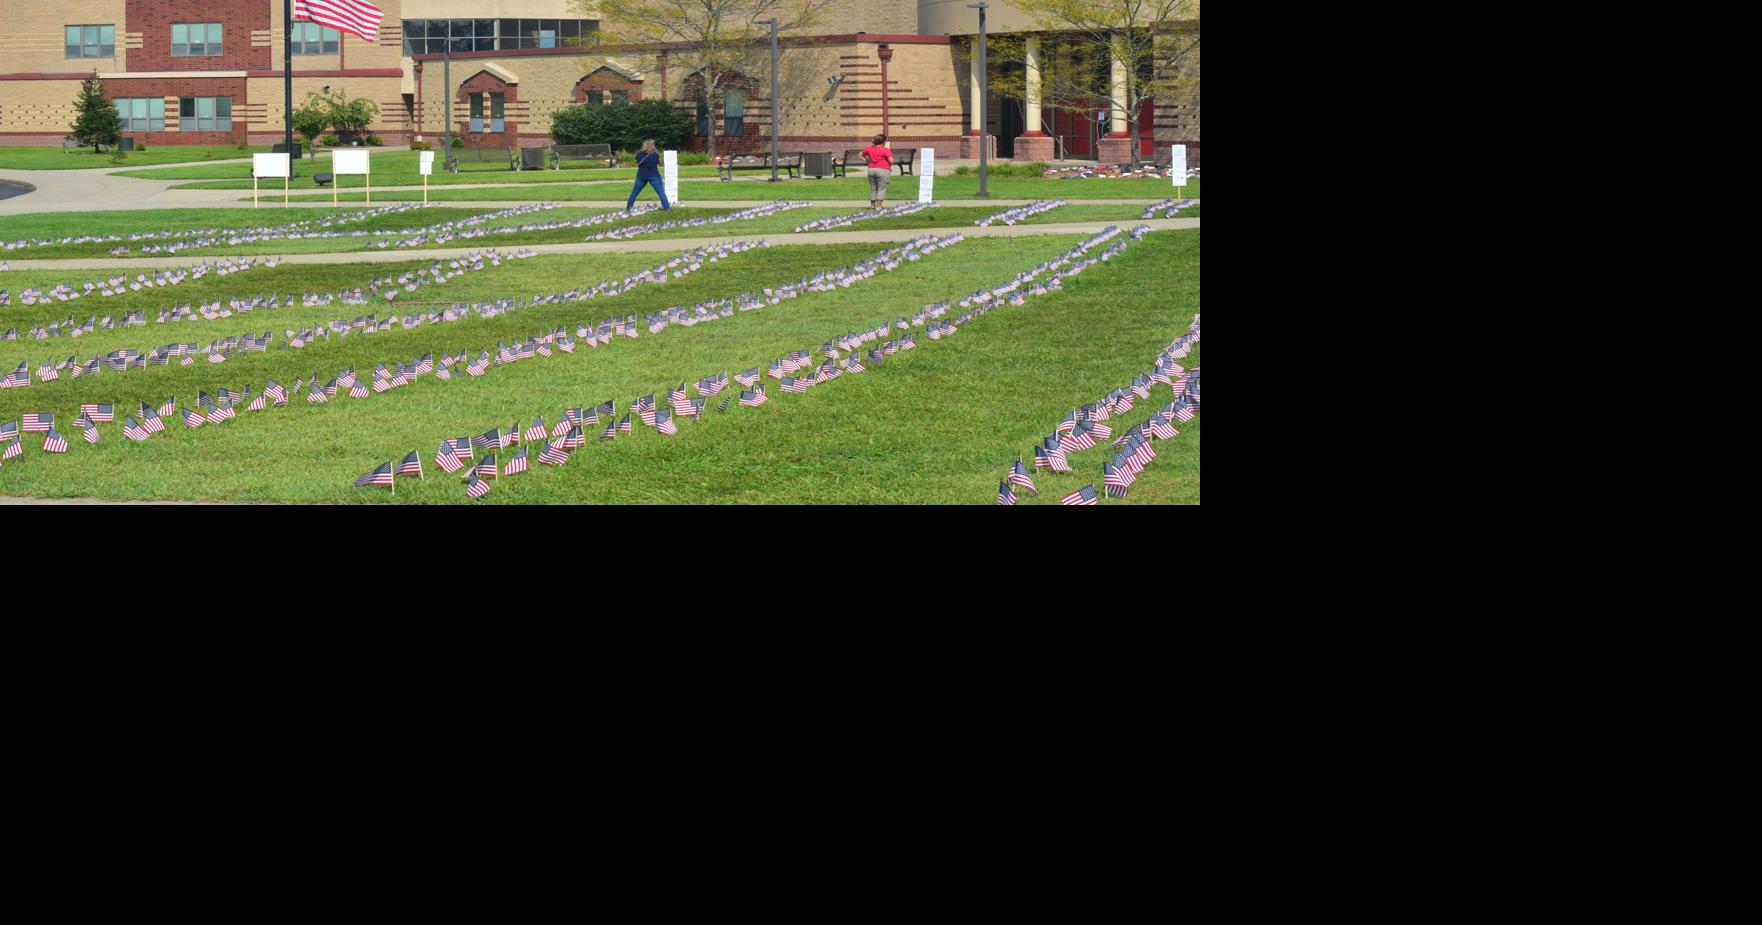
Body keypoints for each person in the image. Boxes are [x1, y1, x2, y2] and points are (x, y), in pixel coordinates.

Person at [627, 139, 671, 211]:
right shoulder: (656, 155)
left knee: (634, 193)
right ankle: (667, 208)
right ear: (653, 145)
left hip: (641, 176)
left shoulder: (639, 154)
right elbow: (658, 164)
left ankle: (628, 208)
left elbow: (638, 163)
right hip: (654, 175)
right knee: (661, 193)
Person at [861, 134, 893, 209]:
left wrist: (867, 161)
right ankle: (878, 206)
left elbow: (860, 154)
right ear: (884, 142)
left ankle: (872, 205)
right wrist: (889, 165)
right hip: (883, 169)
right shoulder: (885, 150)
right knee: (881, 188)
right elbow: (891, 160)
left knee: (873, 187)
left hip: (871, 169)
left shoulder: (869, 149)